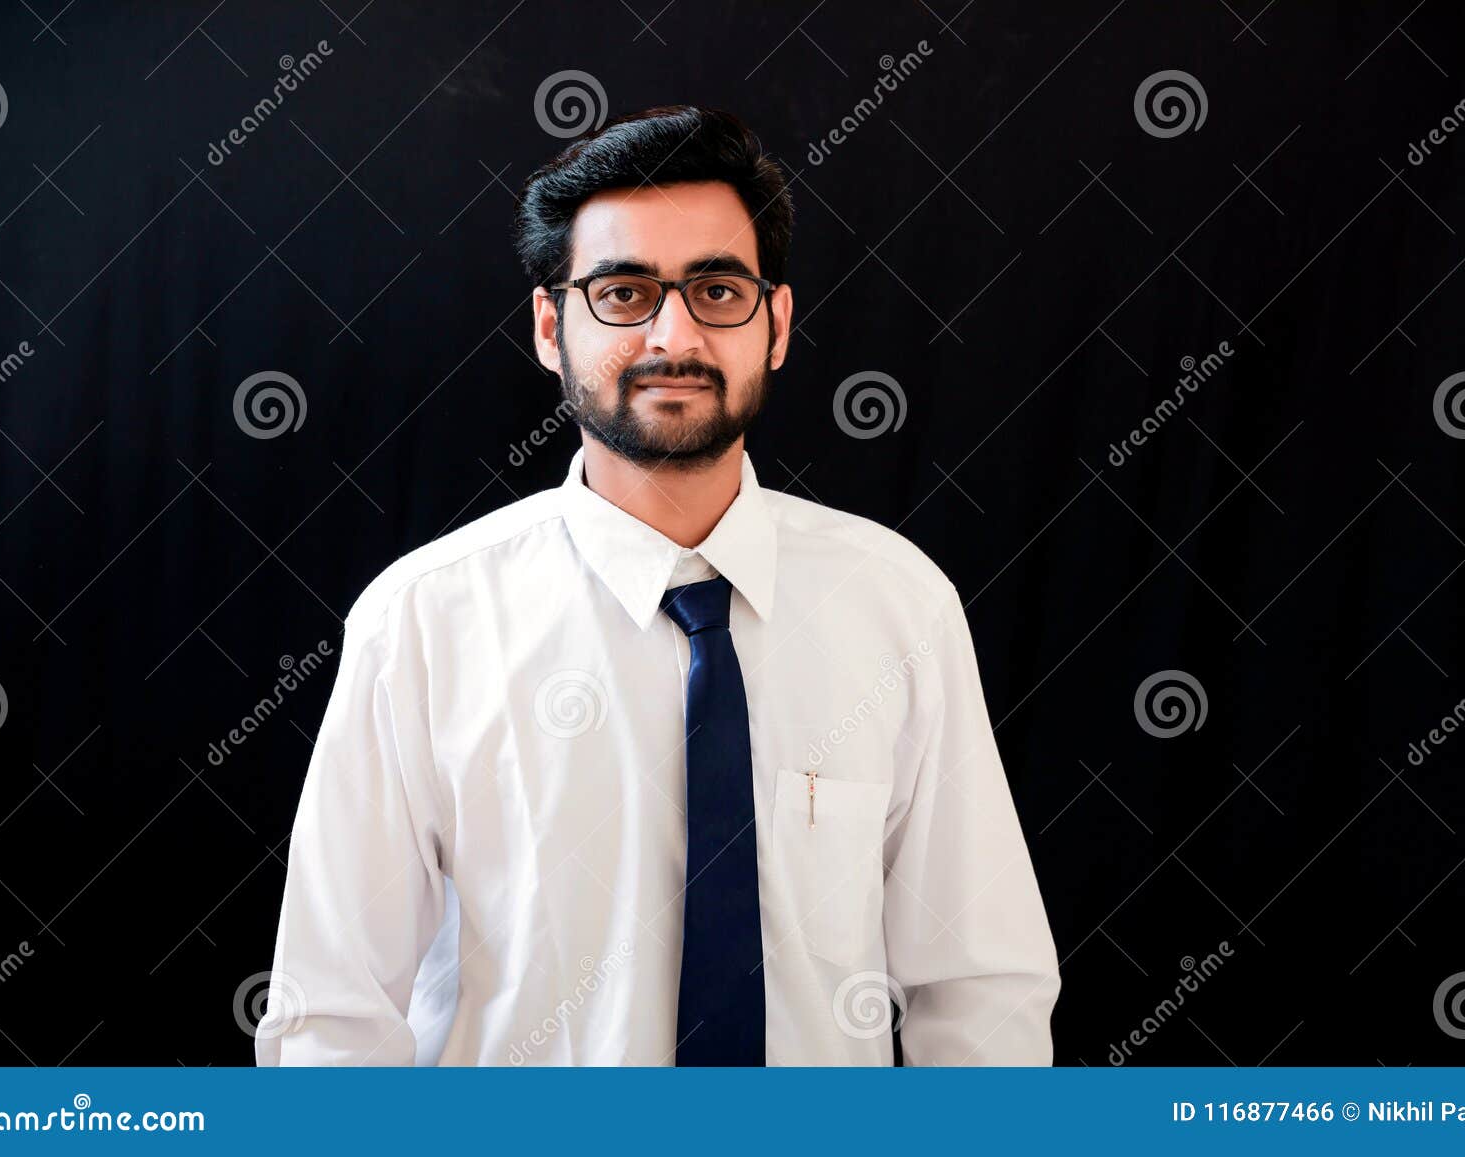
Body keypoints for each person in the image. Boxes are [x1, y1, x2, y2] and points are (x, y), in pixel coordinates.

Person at [256, 104, 1059, 1066]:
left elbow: (979, 990)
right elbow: (331, 1017)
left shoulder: (898, 607)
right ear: (552, 327)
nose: (673, 334)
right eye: (625, 292)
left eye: (718, 289)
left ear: (776, 325)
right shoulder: (423, 620)